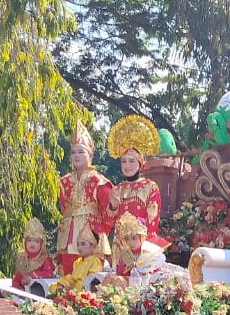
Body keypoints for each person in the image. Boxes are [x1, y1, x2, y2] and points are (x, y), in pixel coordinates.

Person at [56, 123, 112, 275]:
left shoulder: (99, 181)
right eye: (73, 152)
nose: (76, 155)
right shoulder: (64, 182)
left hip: (91, 240)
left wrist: (96, 235)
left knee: (88, 282)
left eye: (81, 151)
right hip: (67, 239)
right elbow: (63, 208)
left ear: (91, 155)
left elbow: (108, 215)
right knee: (67, 280)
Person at [105, 114, 165, 238]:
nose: (127, 165)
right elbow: (108, 222)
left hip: (140, 247)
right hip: (120, 248)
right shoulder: (117, 189)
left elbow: (152, 222)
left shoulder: (150, 187)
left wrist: (144, 247)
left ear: (140, 163)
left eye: (131, 161)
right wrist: (112, 206)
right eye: (124, 161)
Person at [53, 227, 109, 293]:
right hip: (73, 290)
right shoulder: (77, 262)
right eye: (78, 244)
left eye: (83, 244)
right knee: (53, 286)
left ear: (93, 246)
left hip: (85, 293)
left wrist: (71, 288)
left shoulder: (95, 262)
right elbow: (71, 278)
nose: (79, 248)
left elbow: (90, 282)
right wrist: (62, 284)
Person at [11, 217, 57, 291]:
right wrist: (16, 289)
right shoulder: (22, 259)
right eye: (29, 240)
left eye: (36, 241)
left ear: (42, 244)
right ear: (25, 242)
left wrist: (32, 276)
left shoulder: (45, 259)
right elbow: (17, 279)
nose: (32, 244)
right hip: (22, 294)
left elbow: (49, 274)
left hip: (39, 295)